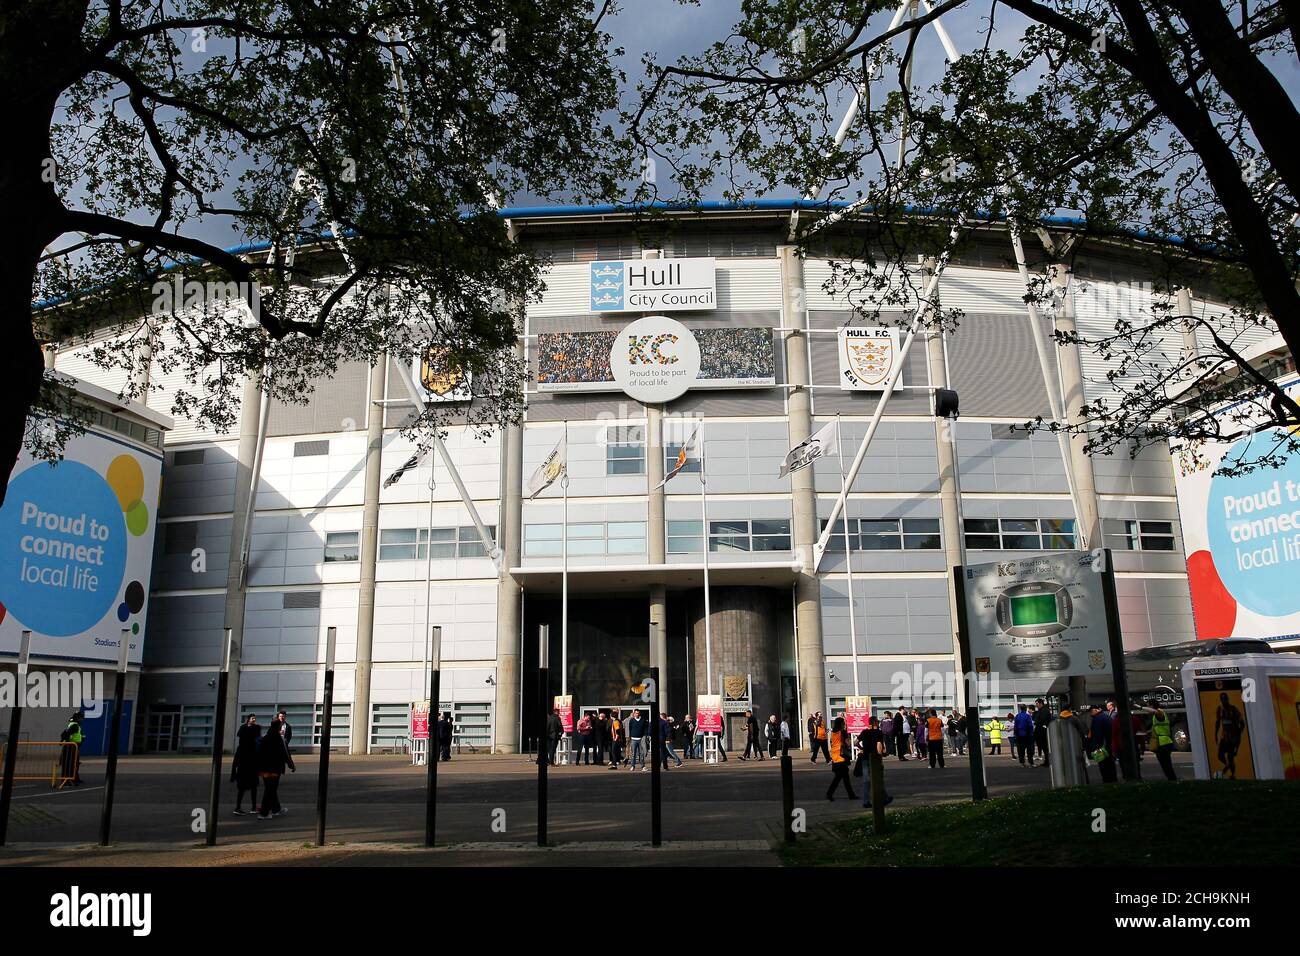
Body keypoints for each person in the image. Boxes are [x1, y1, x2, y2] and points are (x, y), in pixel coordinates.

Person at [256, 718, 296, 818]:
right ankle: (264, 813)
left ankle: (276, 809)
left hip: (264, 768)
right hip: (275, 768)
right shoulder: (279, 738)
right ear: (279, 726)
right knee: (270, 790)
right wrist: (291, 765)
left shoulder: (265, 737)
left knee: (270, 789)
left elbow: (259, 752)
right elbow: (285, 753)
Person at [856, 716, 894, 808]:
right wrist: (880, 758)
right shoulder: (878, 733)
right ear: (875, 723)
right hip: (874, 757)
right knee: (878, 779)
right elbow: (879, 745)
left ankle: (866, 801)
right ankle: (884, 798)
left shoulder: (864, 732)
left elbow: (855, 742)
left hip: (865, 757)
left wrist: (862, 748)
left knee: (866, 781)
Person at [232, 714, 262, 814]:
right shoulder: (254, 732)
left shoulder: (241, 745)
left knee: (243, 788)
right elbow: (258, 738)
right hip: (250, 764)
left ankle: (239, 807)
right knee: (252, 786)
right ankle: (251, 807)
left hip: (243, 766)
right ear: (248, 719)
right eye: (253, 718)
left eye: (254, 718)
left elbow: (236, 760)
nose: (254, 720)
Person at [1213, 692, 1246, 779]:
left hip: (1233, 738)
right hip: (1224, 737)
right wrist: (1215, 734)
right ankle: (1227, 765)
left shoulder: (1234, 709)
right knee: (1220, 755)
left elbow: (1242, 724)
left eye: (1225, 699)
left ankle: (1232, 774)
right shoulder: (1220, 709)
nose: (1224, 701)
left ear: (1228, 699)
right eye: (1222, 699)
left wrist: (1237, 735)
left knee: (1230, 756)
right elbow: (1218, 722)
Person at [1142, 701, 1178, 781]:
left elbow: (1154, 711)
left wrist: (1140, 708)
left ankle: (1172, 779)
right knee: (1165, 764)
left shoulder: (1159, 713)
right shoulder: (1157, 716)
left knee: (1166, 764)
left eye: (1148, 707)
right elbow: (1155, 728)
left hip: (1163, 742)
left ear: (1153, 706)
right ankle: (1171, 779)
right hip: (1162, 742)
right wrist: (1145, 733)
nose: (1147, 709)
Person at [825, 717, 857, 801]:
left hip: (835, 756)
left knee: (843, 777)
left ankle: (851, 795)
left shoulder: (833, 732)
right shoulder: (843, 732)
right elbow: (848, 743)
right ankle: (829, 794)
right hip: (842, 757)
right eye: (844, 723)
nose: (845, 724)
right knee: (840, 777)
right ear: (841, 724)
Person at [1087, 703, 1117, 783]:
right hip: (1109, 745)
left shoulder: (1097, 719)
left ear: (1095, 710)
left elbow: (1097, 735)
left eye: (1090, 711)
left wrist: (1094, 748)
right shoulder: (1106, 717)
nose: (1090, 714)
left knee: (1104, 767)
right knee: (1111, 765)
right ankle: (1113, 781)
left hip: (1102, 748)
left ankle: (1108, 782)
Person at [58, 711, 85, 786]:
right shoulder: (74, 725)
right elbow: (65, 734)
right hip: (71, 747)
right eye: (81, 718)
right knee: (69, 764)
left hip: (74, 747)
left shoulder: (76, 725)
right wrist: (65, 741)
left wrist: (82, 738)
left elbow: (78, 735)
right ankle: (67, 780)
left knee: (74, 764)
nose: (82, 720)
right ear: (78, 718)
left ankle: (73, 779)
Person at [1032, 699, 1052, 764]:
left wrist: (1036, 722)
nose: (1036, 705)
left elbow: (1043, 720)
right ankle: (1046, 760)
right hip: (1040, 731)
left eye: (1037, 704)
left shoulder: (1044, 711)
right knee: (1043, 746)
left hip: (1042, 731)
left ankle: (1047, 761)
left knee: (1044, 747)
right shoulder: (1041, 711)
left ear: (1041, 703)